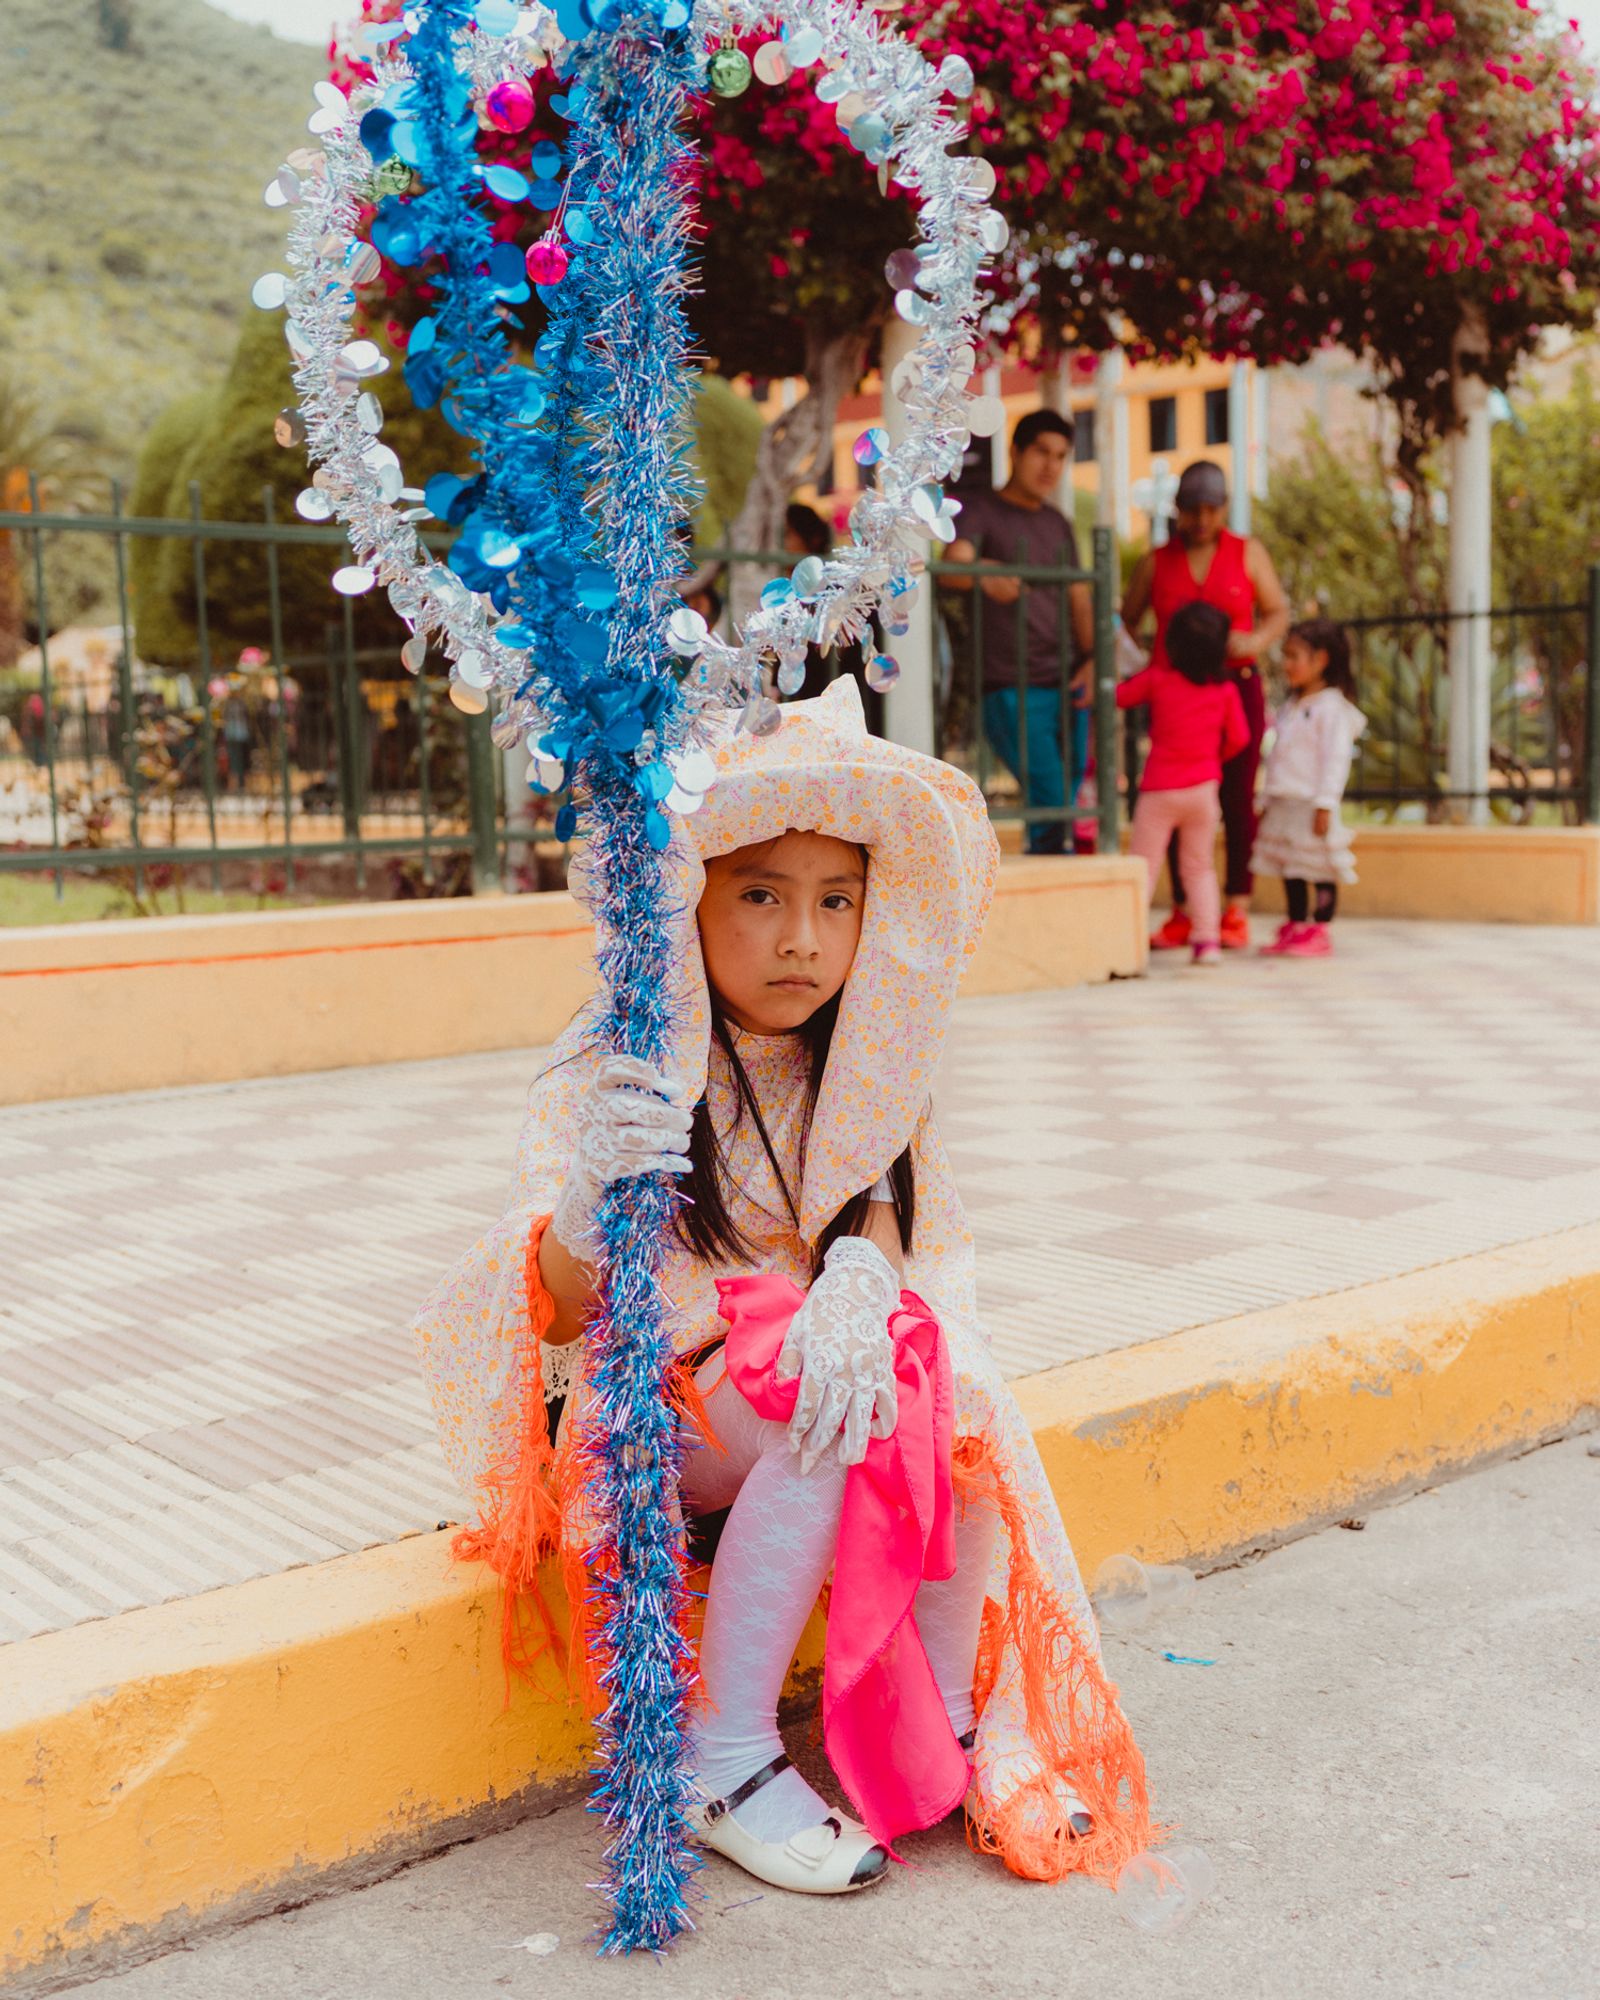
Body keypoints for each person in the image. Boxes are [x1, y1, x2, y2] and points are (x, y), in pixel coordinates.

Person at [414, 679, 1155, 1902]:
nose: (803, 938)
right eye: (759, 894)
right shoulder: (622, 1063)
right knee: (847, 1394)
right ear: (685, 897)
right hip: (659, 1415)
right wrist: (598, 1186)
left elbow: (876, 1199)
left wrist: (862, 1270)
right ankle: (723, 1749)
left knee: (948, 1395)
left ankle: (957, 1732)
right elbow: (543, 1310)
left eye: (836, 900)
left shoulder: (859, 1059)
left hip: (799, 1389)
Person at [1121, 460, 1289, 948]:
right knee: (1172, 795)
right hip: (1176, 699)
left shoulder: (1248, 553)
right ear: (1177, 510)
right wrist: (1142, 670)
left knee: (1237, 796)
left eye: (1210, 510)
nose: (1200, 520)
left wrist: (1255, 641)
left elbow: (1278, 610)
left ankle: (1237, 906)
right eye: (1191, 510)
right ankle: (1181, 911)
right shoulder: (1156, 561)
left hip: (1235, 686)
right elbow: (1126, 619)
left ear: (1224, 509)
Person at [943, 410, 1093, 855]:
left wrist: (1092, 661)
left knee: (1067, 789)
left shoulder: (1058, 523)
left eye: (1061, 456)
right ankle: (1056, 867)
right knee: (1049, 790)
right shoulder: (982, 510)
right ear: (1016, 452)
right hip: (1010, 682)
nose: (1050, 465)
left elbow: (1080, 599)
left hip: (1067, 679)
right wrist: (984, 571)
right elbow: (952, 565)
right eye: (1041, 452)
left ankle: (1054, 868)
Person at [1117, 602, 1250, 968]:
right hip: (1203, 790)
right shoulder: (1224, 692)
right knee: (1200, 867)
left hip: (1159, 789)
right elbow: (1240, 737)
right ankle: (1206, 941)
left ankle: (1127, 942)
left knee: (1145, 865)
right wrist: (1212, 758)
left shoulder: (1158, 680)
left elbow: (1118, 696)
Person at [1253, 619, 1366, 960]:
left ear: (1321, 659)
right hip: (1285, 800)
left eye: (1294, 656)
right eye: (1284, 656)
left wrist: (1326, 803)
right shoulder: (1292, 706)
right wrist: (1266, 796)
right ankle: (1296, 922)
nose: (1287, 664)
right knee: (1292, 866)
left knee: (1318, 867)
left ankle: (1319, 928)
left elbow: (1335, 759)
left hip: (1311, 802)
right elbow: (1278, 754)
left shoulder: (1331, 709)